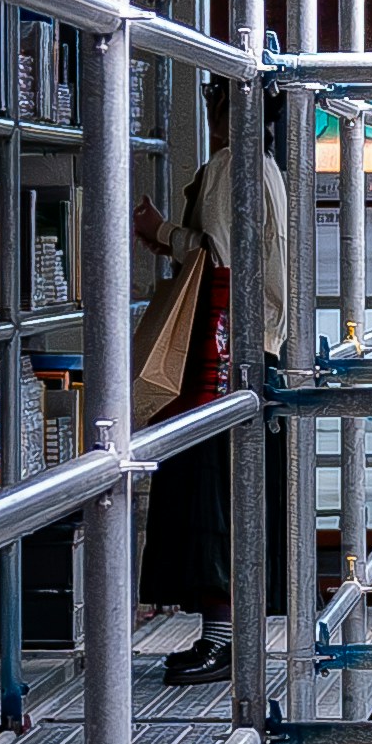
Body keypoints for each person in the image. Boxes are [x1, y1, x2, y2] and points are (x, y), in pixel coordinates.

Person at [137, 144, 235, 684]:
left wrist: (162, 232)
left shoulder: (227, 164)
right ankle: (220, 636)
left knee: (207, 499)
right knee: (221, 498)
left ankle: (220, 640)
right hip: (241, 350)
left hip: (215, 356)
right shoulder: (268, 166)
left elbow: (218, 257)